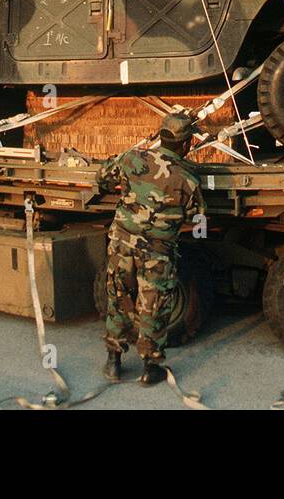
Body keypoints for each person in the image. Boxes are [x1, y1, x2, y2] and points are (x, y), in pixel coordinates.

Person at [98, 112, 204, 385]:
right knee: (152, 306)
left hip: (122, 243)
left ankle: (113, 362)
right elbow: (196, 215)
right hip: (158, 252)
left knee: (118, 298)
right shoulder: (188, 178)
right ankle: (150, 367)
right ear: (186, 143)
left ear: (161, 135)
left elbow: (103, 178)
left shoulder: (133, 158)